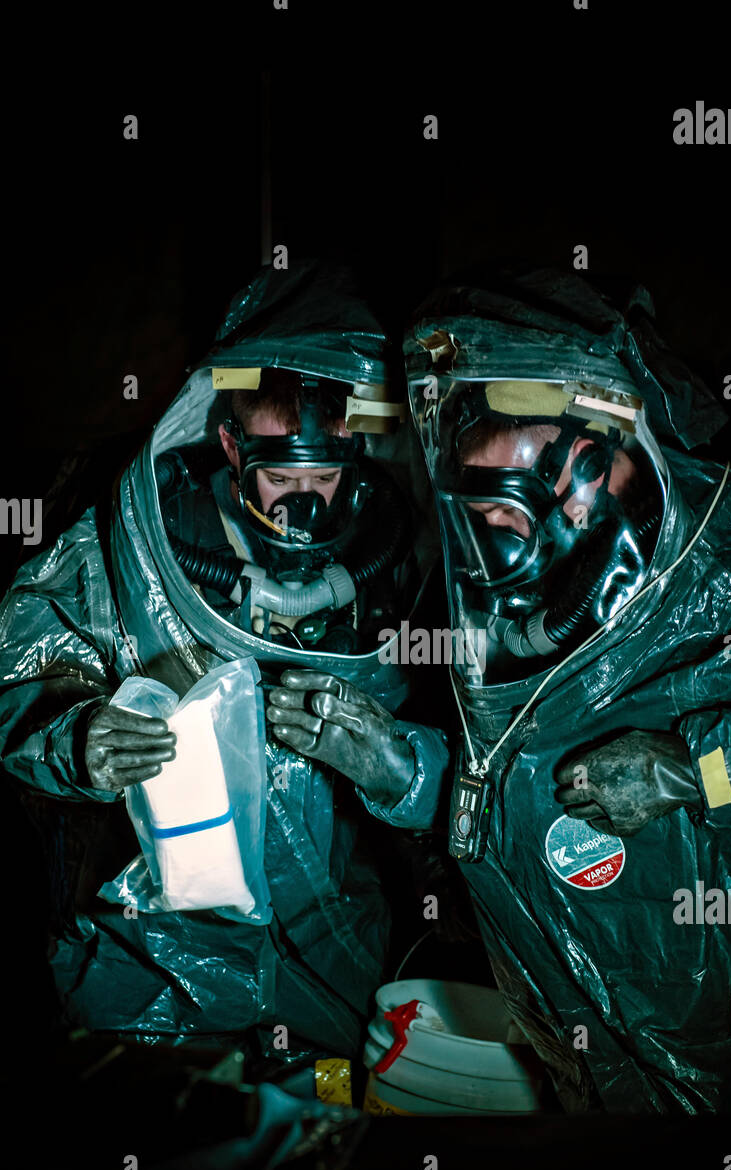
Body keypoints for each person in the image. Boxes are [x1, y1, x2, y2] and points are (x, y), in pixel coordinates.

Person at [373, 266, 731, 1115]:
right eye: (483, 519)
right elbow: (524, 802)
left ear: (603, 454)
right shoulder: (509, 622)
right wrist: (410, 779)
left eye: (516, 510)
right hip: (598, 1079)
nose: (500, 551)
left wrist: (697, 768)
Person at [0, 261, 448, 1076]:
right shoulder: (132, 540)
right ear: (231, 442)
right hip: (159, 953)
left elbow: (488, 755)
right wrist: (76, 739)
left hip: (337, 943)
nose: (303, 505)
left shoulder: (410, 558)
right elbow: (22, 674)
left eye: (326, 475)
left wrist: (396, 767)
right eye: (280, 477)